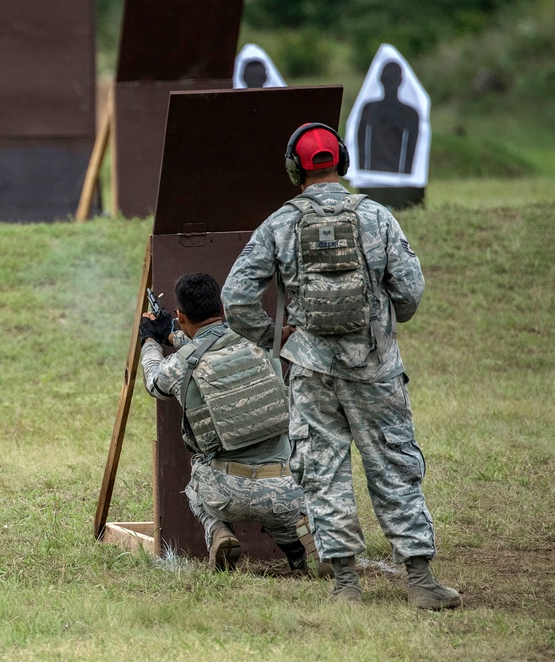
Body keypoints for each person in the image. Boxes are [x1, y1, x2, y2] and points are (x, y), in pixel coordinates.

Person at [221, 122, 461, 609]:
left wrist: (276, 335)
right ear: (342, 162)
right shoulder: (377, 216)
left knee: (322, 471)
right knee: (394, 465)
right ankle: (420, 581)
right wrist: (384, 324)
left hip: (311, 371)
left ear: (294, 169)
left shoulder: (279, 224)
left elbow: (236, 298)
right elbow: (410, 292)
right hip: (375, 367)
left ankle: (346, 585)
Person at [139, 272, 315, 573]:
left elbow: (155, 381)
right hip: (286, 486)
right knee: (282, 516)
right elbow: (220, 341)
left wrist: (151, 340)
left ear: (181, 315)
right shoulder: (259, 341)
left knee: (196, 483)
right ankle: (302, 557)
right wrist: (174, 332)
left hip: (226, 491)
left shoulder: (182, 364)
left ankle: (219, 533)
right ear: (221, 308)